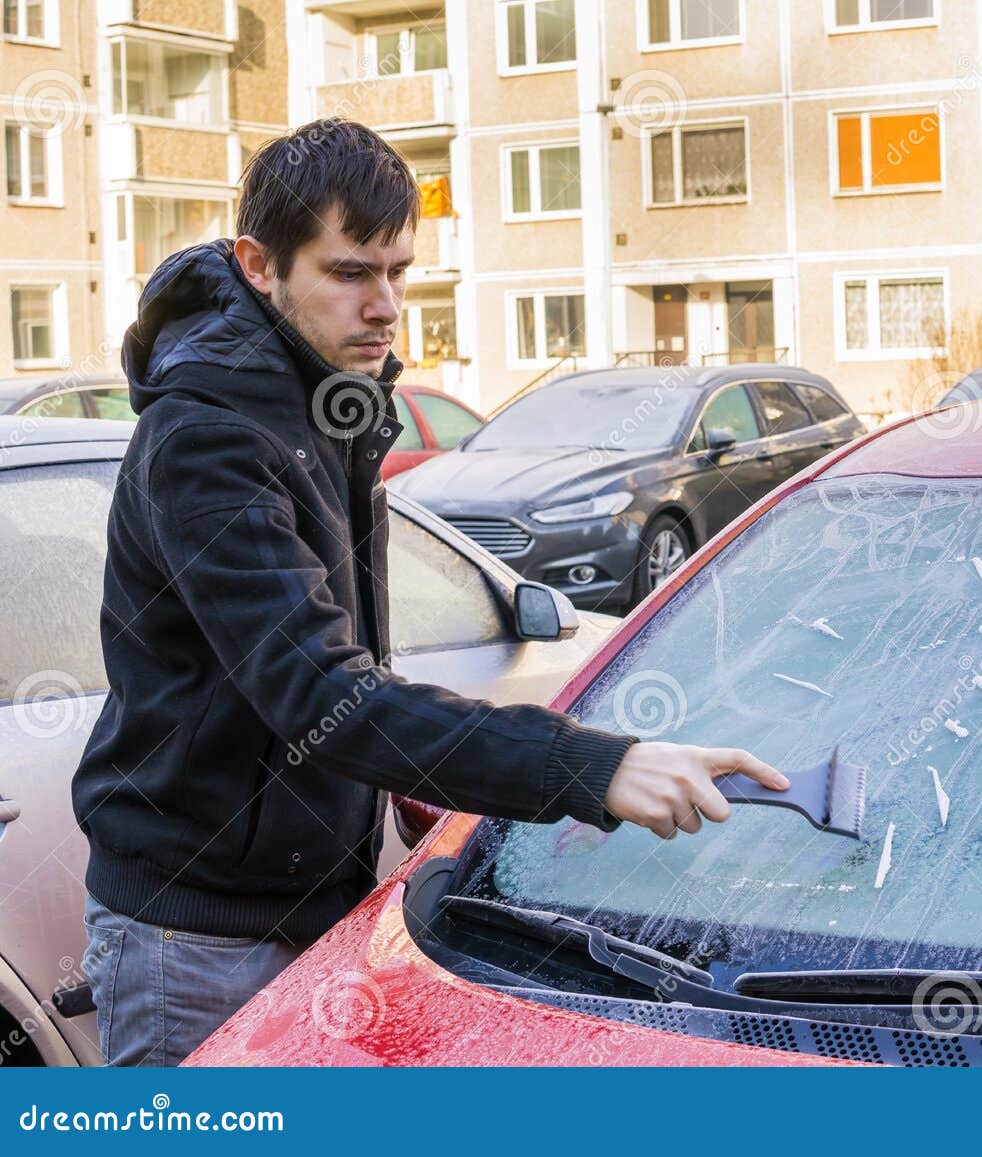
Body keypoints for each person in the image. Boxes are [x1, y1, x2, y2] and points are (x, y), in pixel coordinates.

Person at [72, 118, 788, 1066]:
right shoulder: (208, 439)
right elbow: (319, 693)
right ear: (259, 264)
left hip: (310, 911)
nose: (386, 305)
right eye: (351, 273)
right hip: (198, 941)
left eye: (399, 271)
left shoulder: (321, 397)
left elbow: (344, 672)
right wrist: (589, 768)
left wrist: (420, 797)